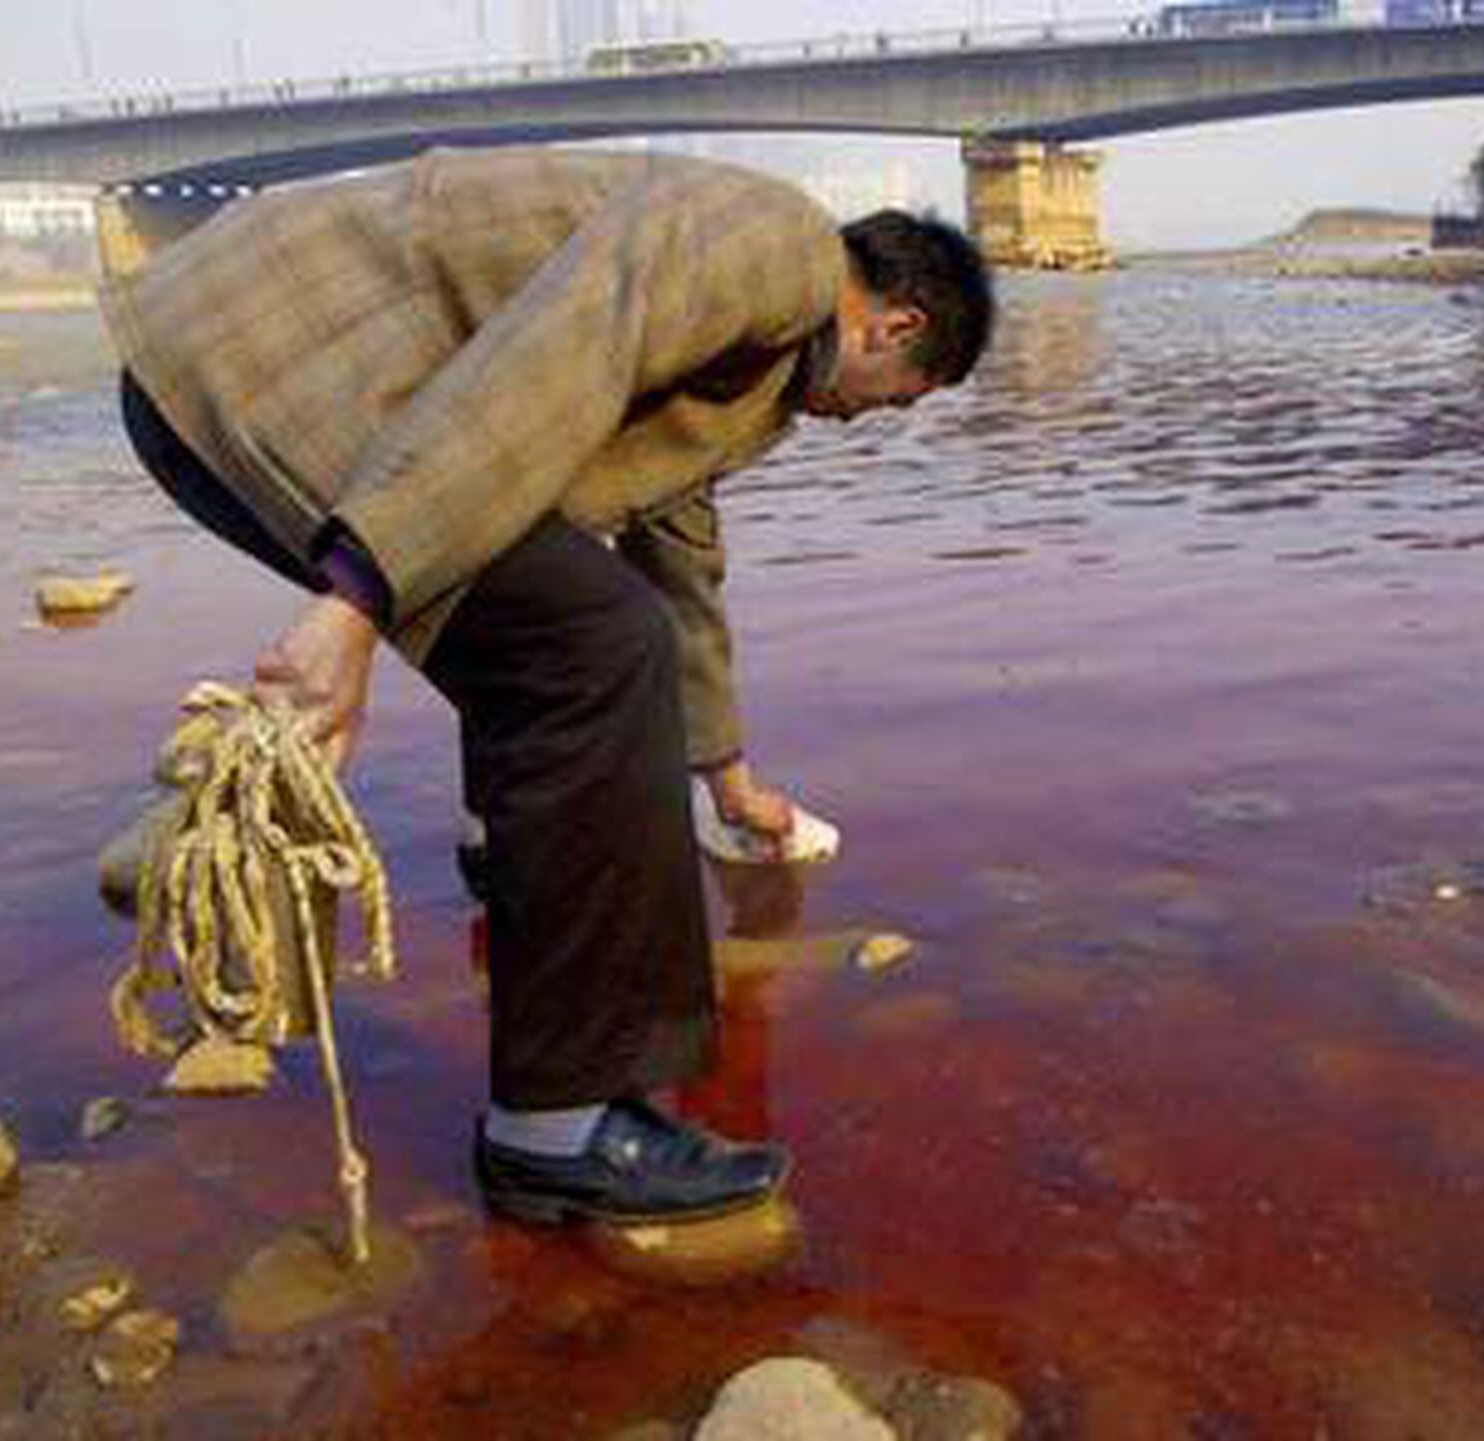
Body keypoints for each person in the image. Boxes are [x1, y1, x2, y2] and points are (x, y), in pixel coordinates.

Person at [102, 143, 994, 1225]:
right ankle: (555, 1126)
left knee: (575, 635)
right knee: (590, 646)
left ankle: (509, 851)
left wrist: (725, 777)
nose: (875, 419)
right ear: (896, 329)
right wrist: (356, 596)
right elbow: (561, 352)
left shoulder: (758, 368)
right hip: (256, 357)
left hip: (254, 371)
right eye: (900, 401)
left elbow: (678, 550)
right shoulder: (774, 246)